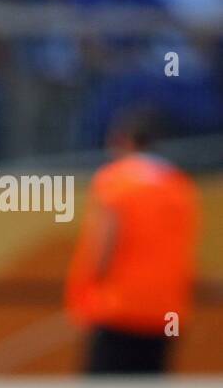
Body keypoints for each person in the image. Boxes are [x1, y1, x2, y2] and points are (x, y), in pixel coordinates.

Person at [65, 110, 200, 374]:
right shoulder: (180, 186)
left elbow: (104, 243)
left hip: (118, 309)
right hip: (165, 311)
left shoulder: (116, 181)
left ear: (123, 141)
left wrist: (85, 291)